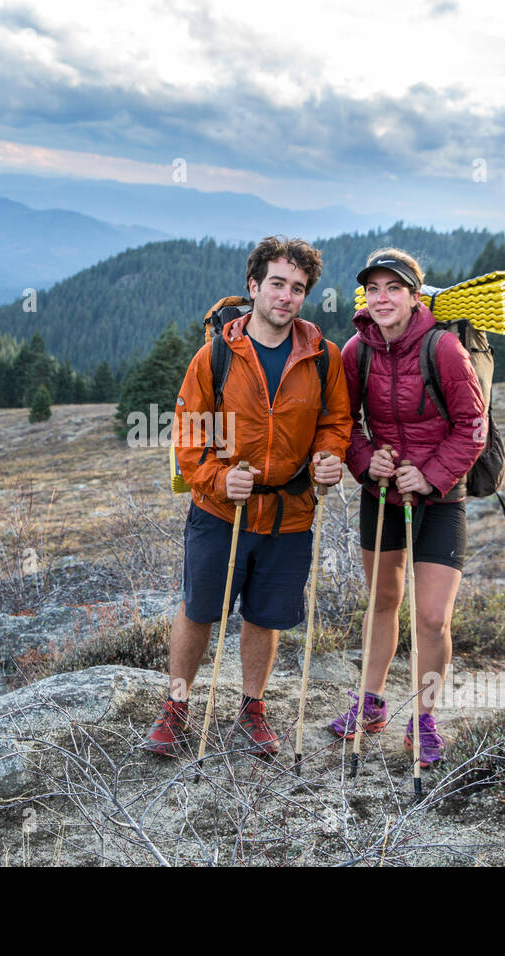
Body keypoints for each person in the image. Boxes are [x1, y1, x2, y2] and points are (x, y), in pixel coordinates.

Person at [144, 236, 352, 758]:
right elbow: (189, 438)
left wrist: (330, 457)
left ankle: (252, 710)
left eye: (297, 288)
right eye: (277, 284)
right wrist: (218, 479)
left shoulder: (323, 358)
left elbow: (335, 422)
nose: (285, 296)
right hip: (220, 510)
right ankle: (176, 708)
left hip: (290, 511)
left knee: (266, 613)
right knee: (199, 609)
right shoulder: (215, 357)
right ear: (254, 286)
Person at [329, 248, 486, 767]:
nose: (382, 298)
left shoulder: (442, 349)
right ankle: (371, 703)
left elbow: (473, 428)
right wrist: (364, 460)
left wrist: (432, 475)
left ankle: (424, 718)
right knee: (381, 600)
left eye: (393, 288)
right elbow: (341, 423)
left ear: (415, 296)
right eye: (373, 289)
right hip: (382, 495)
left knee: (434, 616)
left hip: (441, 498)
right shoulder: (356, 352)